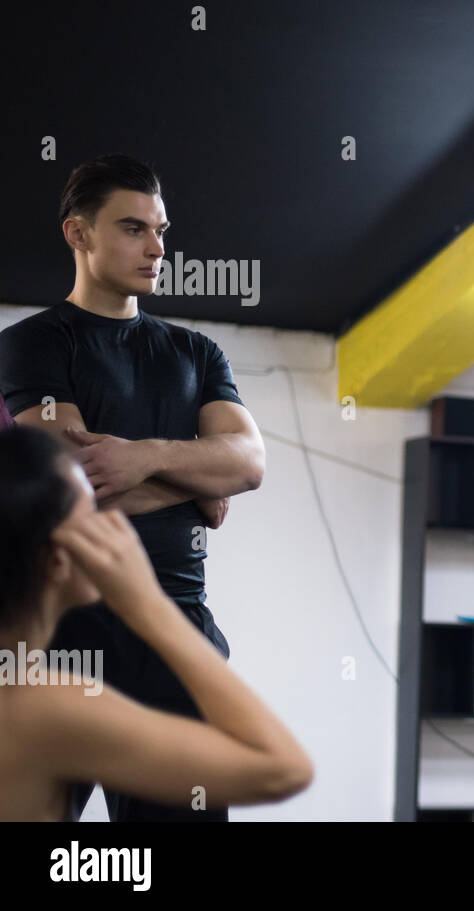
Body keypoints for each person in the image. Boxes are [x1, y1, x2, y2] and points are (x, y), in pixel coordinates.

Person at [0, 154, 266, 821]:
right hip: (65, 637)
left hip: (178, 633)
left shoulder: (196, 353)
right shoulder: (32, 343)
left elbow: (250, 462)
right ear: (78, 233)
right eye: (133, 228)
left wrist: (145, 456)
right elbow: (74, 484)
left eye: (161, 229)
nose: (157, 247)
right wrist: (198, 481)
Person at [0, 426, 312, 821]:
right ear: (59, 559)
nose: (114, 528)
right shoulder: (43, 707)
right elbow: (283, 768)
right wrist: (148, 604)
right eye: (93, 515)